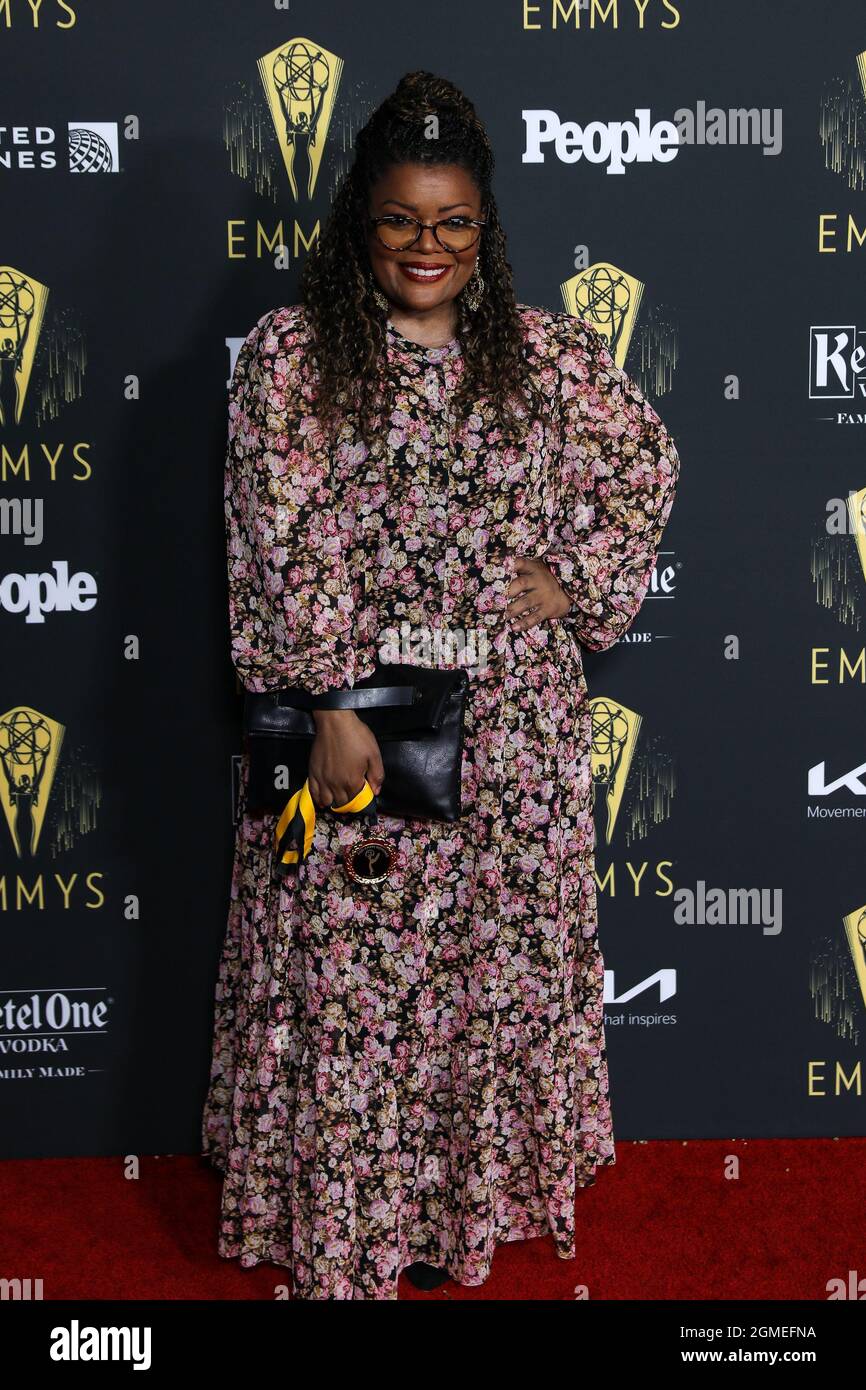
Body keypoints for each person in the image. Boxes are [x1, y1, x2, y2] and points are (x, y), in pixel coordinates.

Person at [201, 69, 680, 1301]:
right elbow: (280, 528)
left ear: (486, 228)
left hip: (512, 734)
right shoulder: (295, 357)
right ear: (362, 221)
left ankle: (456, 1213)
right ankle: (351, 1223)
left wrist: (569, 577)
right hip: (364, 723)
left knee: (479, 988)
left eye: (453, 221)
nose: (428, 247)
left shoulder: (540, 352)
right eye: (402, 220)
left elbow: (644, 458)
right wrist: (327, 704)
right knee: (351, 990)